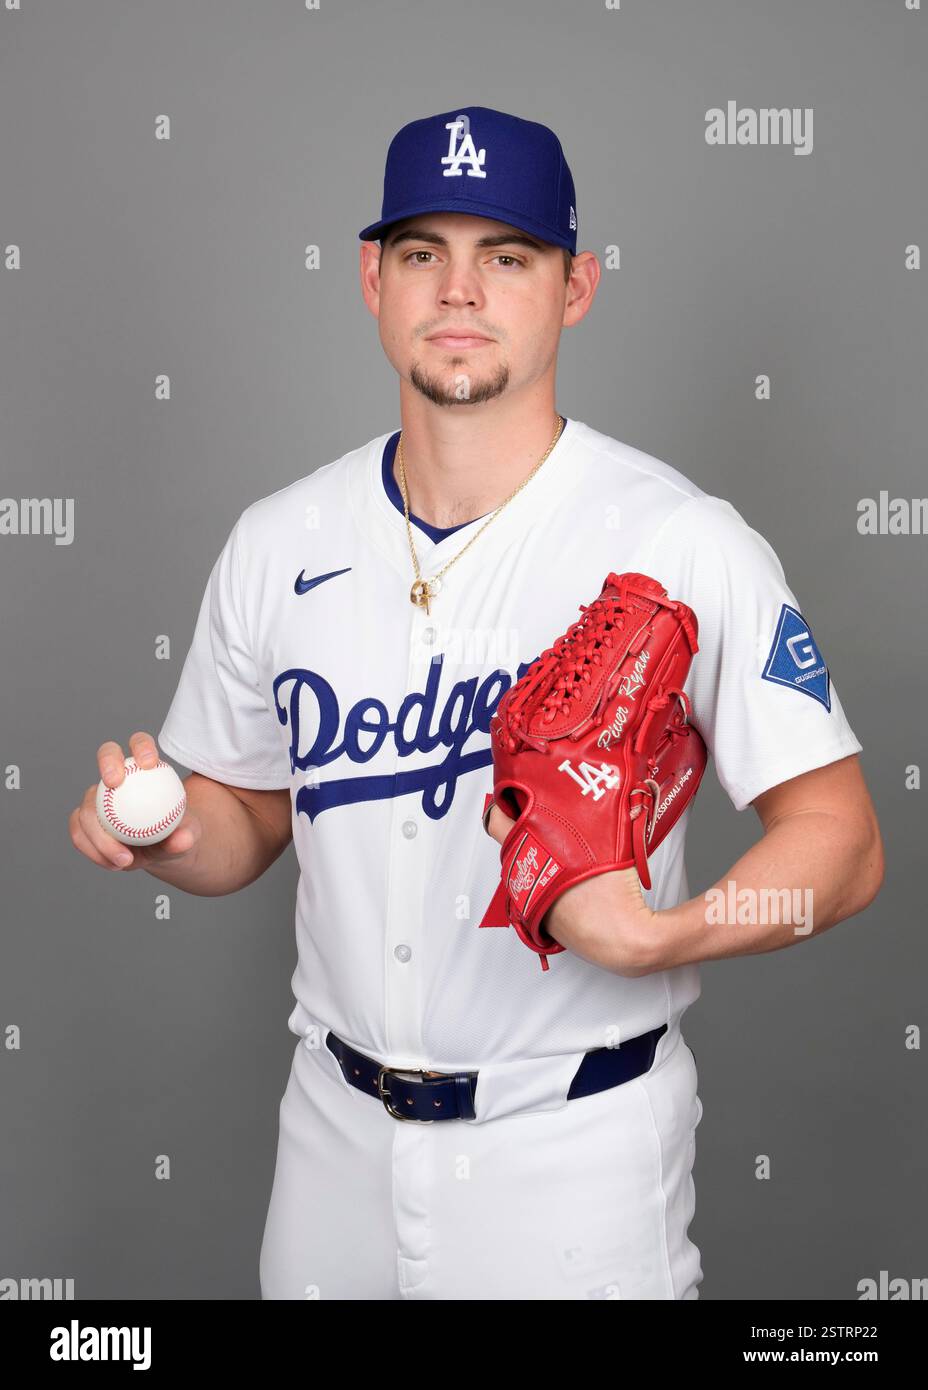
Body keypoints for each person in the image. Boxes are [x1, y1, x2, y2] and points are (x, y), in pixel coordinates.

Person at [69, 105, 884, 1300]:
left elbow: (845, 846)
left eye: (505, 255)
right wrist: (175, 837)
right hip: (330, 1147)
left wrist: (664, 934)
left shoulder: (680, 541)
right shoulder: (275, 540)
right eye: (421, 254)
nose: (459, 289)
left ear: (574, 288)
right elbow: (247, 821)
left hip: (571, 1154)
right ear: (371, 279)